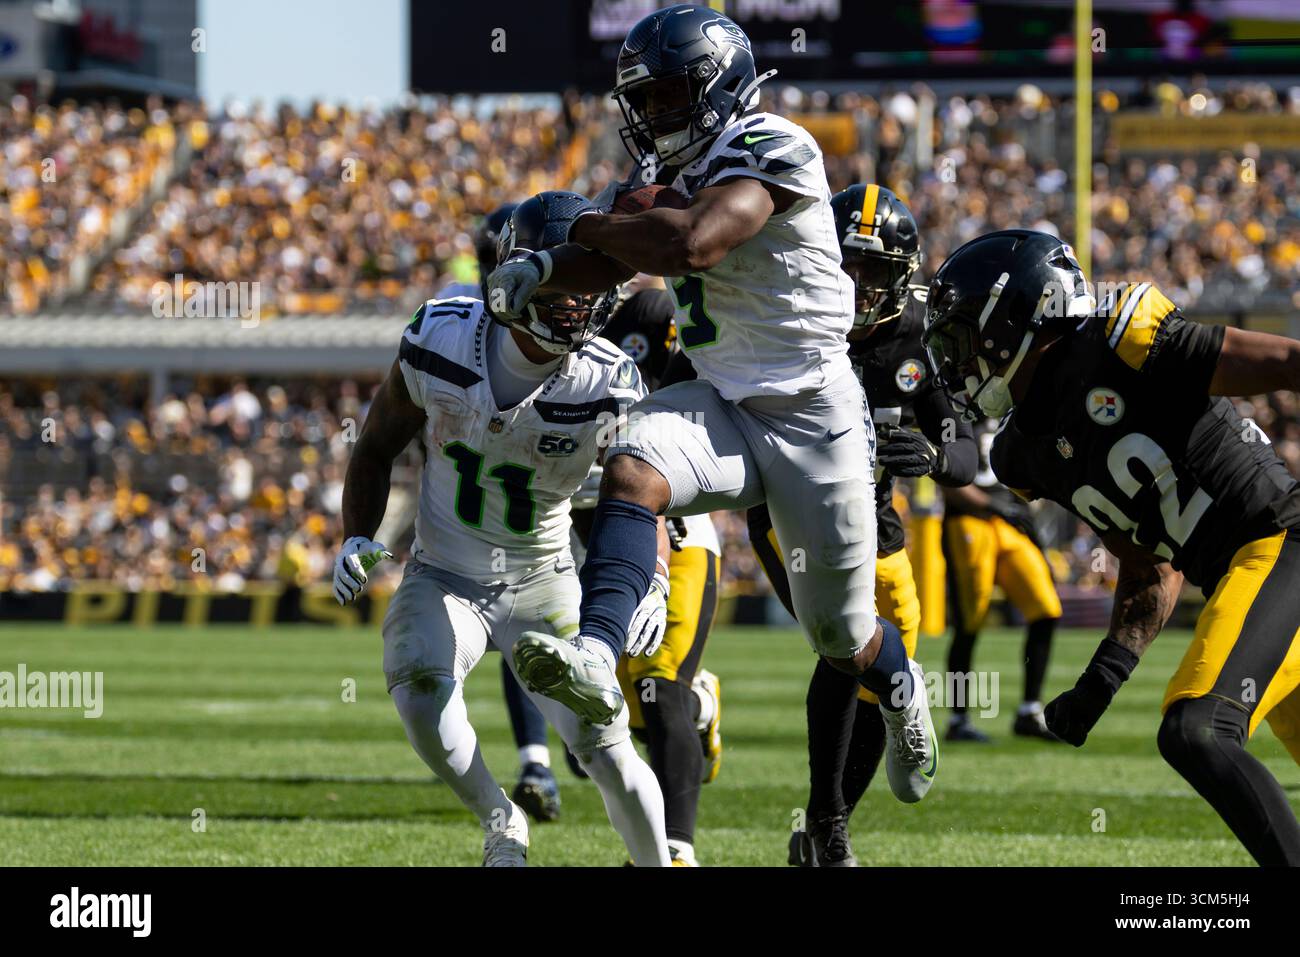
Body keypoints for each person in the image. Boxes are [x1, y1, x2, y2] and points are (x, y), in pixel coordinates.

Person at [488, 4, 938, 806]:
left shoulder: (775, 144)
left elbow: (691, 243)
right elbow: (609, 261)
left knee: (840, 635)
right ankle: (596, 654)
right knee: (630, 463)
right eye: (643, 99)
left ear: (721, 84)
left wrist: (587, 223)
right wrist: (547, 269)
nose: (653, 114)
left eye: (667, 95)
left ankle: (902, 689)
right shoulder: (658, 175)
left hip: (814, 414)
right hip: (724, 403)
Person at [923, 228, 1300, 866]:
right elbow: (1151, 566)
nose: (955, 365)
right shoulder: (1022, 454)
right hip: (1249, 578)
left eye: (960, 340)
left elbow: (1288, 362)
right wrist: (1102, 679)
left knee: (1198, 730)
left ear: (1009, 321)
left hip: (1282, 541)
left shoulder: (1124, 339)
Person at [334, 193, 670, 866]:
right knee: (416, 682)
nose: (576, 301)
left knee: (605, 748)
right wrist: (356, 534)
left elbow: (639, 499)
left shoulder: (609, 379)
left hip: (544, 580)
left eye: (587, 284)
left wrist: (654, 573)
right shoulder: (440, 336)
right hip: (445, 574)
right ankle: (501, 818)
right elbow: (374, 447)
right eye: (561, 283)